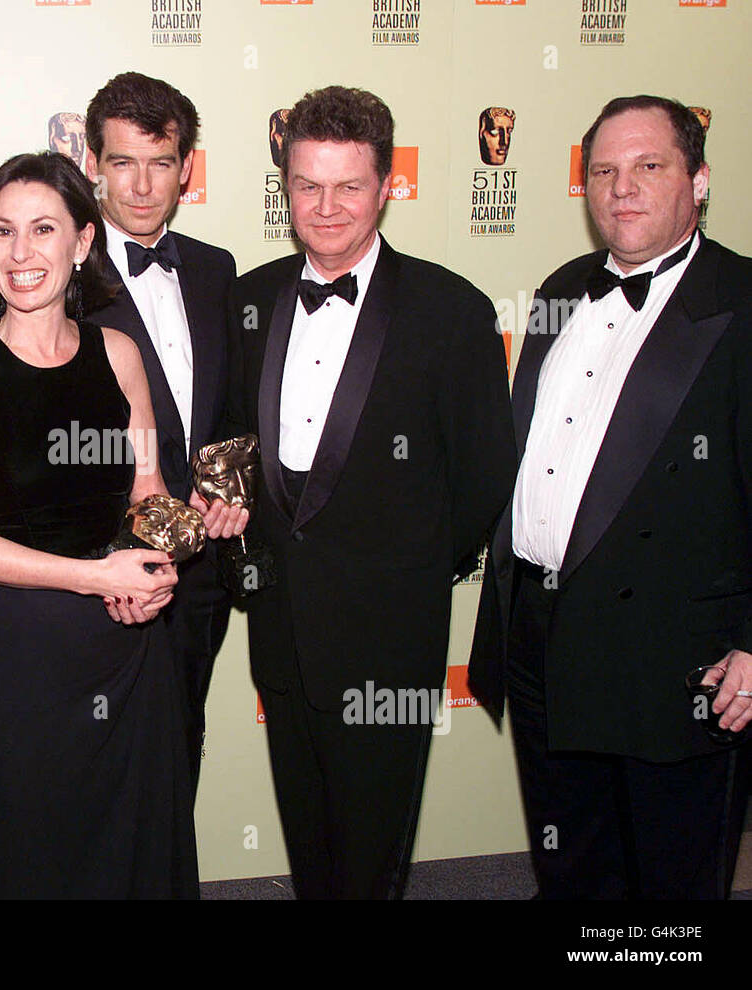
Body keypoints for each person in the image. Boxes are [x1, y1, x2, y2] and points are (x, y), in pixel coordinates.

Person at [224, 86, 516, 899]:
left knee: (373, 855)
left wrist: (408, 568)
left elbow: (486, 473)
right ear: (285, 186)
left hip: (390, 639)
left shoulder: (451, 310)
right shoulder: (249, 300)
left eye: (349, 185)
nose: (326, 207)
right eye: (307, 185)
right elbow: (236, 450)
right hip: (282, 634)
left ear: (387, 185)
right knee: (310, 848)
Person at [469, 95, 752, 899]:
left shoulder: (744, 302)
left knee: (671, 883)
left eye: (648, 167)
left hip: (676, 657)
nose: (622, 188)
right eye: (604, 171)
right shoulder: (562, 288)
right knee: (572, 865)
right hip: (540, 633)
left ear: (699, 181)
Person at [0, 151, 198, 898]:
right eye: (2, 231)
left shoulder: (119, 354)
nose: (20, 253)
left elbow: (146, 490)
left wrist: (153, 567)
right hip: (15, 659)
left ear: (82, 242)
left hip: (125, 642)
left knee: (136, 850)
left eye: (43, 229)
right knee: (38, 855)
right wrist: (95, 576)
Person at [84, 71, 243, 791]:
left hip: (201, 572)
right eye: (122, 162)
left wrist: (232, 493)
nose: (142, 186)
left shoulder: (215, 270)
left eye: (160, 163)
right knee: (106, 762)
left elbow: (228, 414)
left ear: (186, 169)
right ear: (94, 166)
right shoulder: (57, 277)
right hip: (101, 571)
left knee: (182, 747)